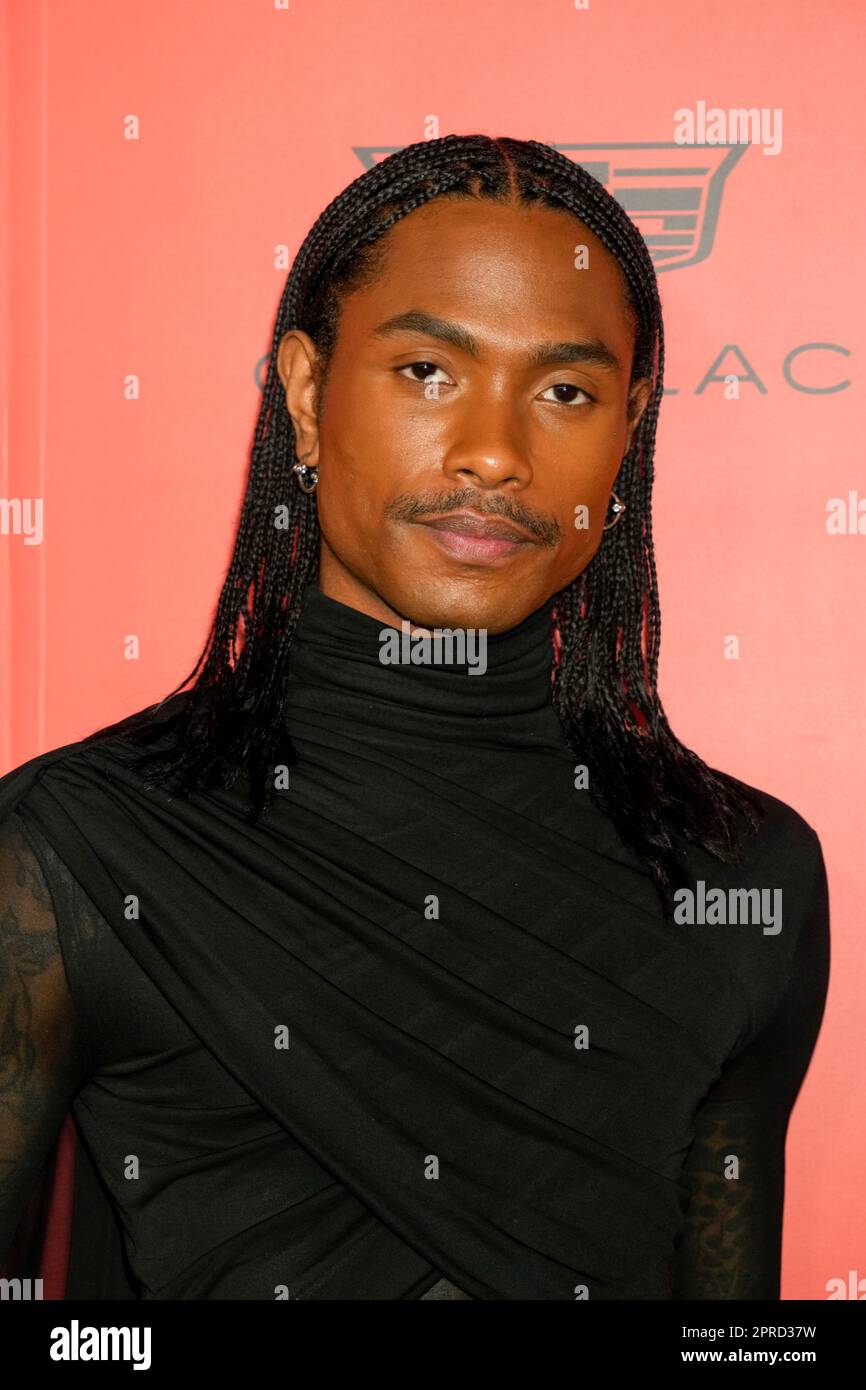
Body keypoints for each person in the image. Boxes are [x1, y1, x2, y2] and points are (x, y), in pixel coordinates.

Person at [0, 133, 830, 1300]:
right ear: (302, 391)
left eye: (563, 391)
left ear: (628, 427)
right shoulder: (72, 850)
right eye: (428, 372)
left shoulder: (744, 869)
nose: (494, 452)